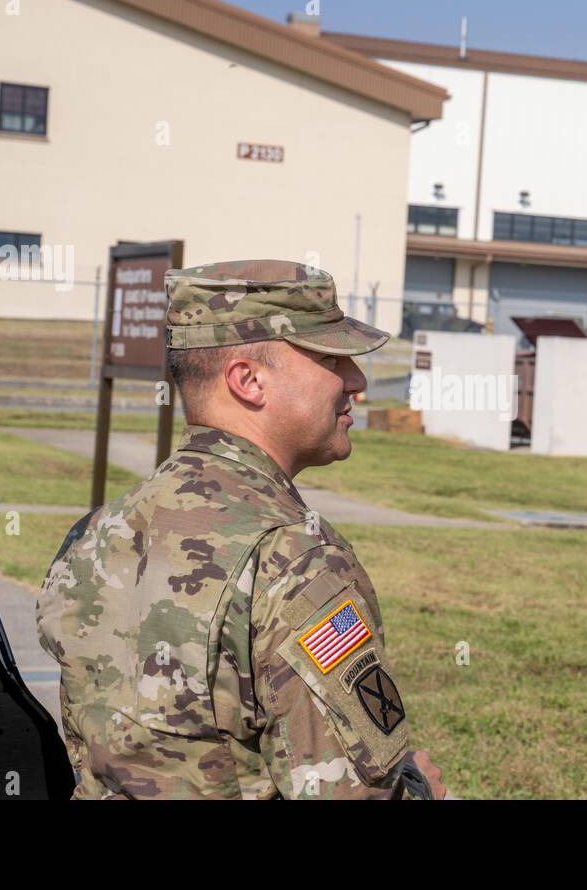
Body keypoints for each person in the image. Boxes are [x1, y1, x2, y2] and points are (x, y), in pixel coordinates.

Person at [38, 259, 443, 799]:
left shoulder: (95, 532)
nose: (357, 380)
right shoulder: (293, 558)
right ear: (248, 381)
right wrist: (421, 790)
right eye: (331, 357)